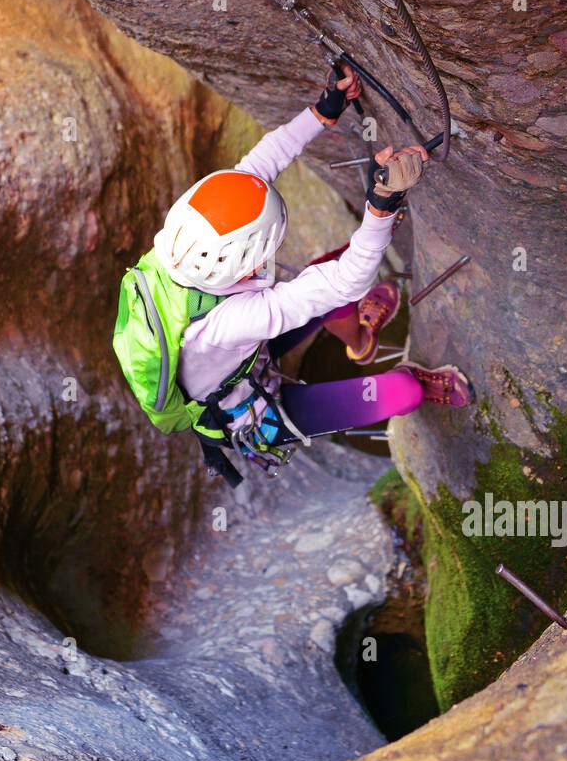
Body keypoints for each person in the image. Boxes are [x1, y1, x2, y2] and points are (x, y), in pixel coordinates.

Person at [149, 64, 474, 469]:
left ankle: (359, 340)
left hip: (243, 351)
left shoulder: (189, 243)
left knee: (331, 270)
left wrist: (322, 112)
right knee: (403, 393)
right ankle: (410, 374)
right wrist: (381, 205)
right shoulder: (228, 321)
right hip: (250, 403)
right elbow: (347, 282)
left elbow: (255, 169)